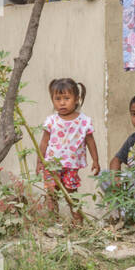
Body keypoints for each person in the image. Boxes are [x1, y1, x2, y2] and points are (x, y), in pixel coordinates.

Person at [37, 77, 99, 223]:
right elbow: (44, 142)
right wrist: (40, 161)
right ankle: (53, 222)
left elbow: (90, 141)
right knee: (51, 193)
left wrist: (96, 160)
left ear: (76, 99)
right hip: (52, 164)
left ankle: (78, 223)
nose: (62, 102)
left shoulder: (84, 121)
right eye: (57, 98)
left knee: (71, 194)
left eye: (66, 98)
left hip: (71, 165)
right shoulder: (51, 121)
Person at [109, 94, 135, 171]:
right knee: (104, 175)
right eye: (134, 114)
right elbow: (115, 161)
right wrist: (115, 177)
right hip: (131, 179)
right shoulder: (132, 140)